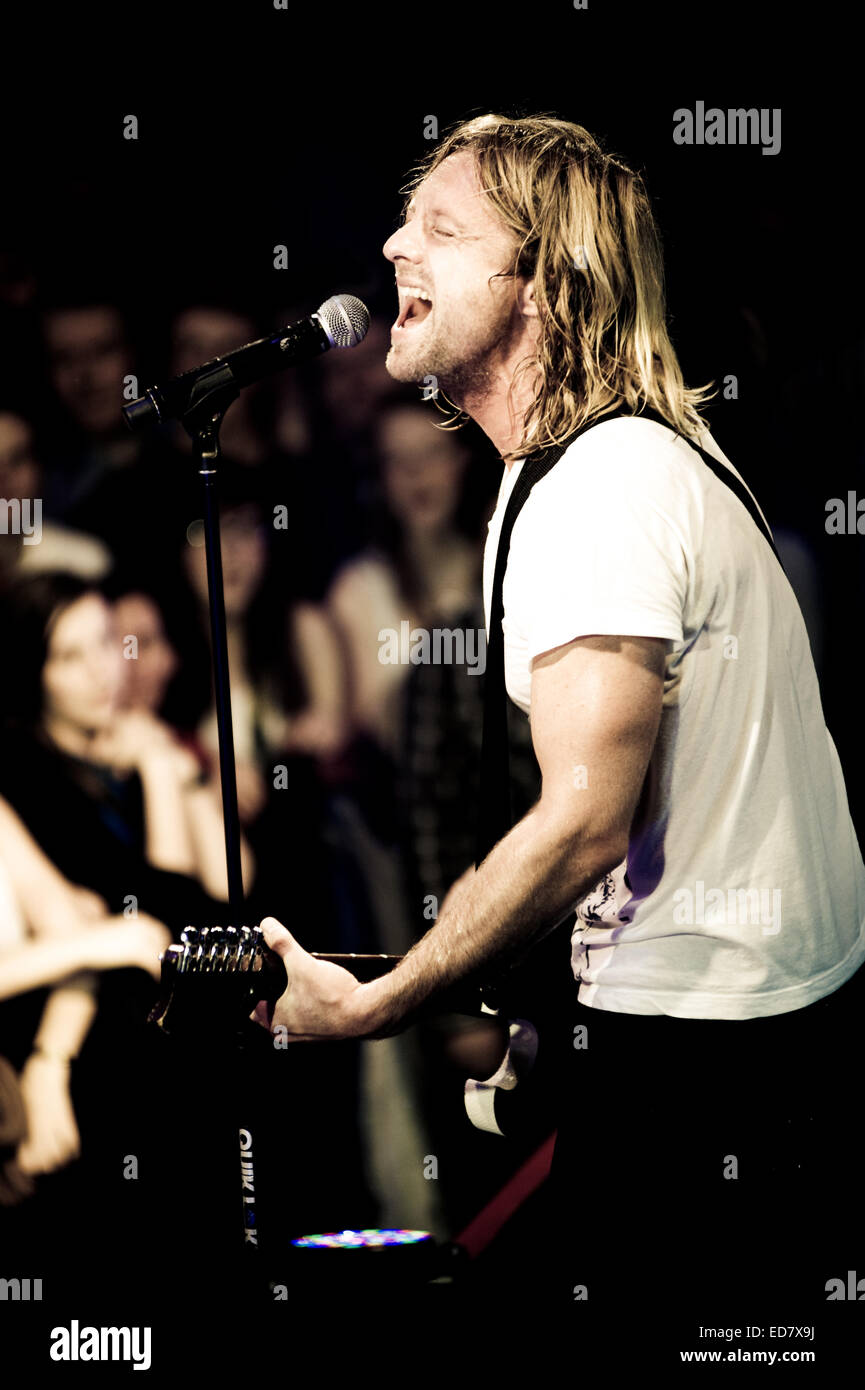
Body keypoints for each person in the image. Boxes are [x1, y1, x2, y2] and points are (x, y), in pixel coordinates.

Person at [249, 114, 865, 1335]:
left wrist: (380, 1006)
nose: (389, 246)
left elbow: (586, 821)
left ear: (545, 281)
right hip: (718, 1040)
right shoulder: (606, 466)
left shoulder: (603, 484)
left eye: (441, 228)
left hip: (710, 1071)